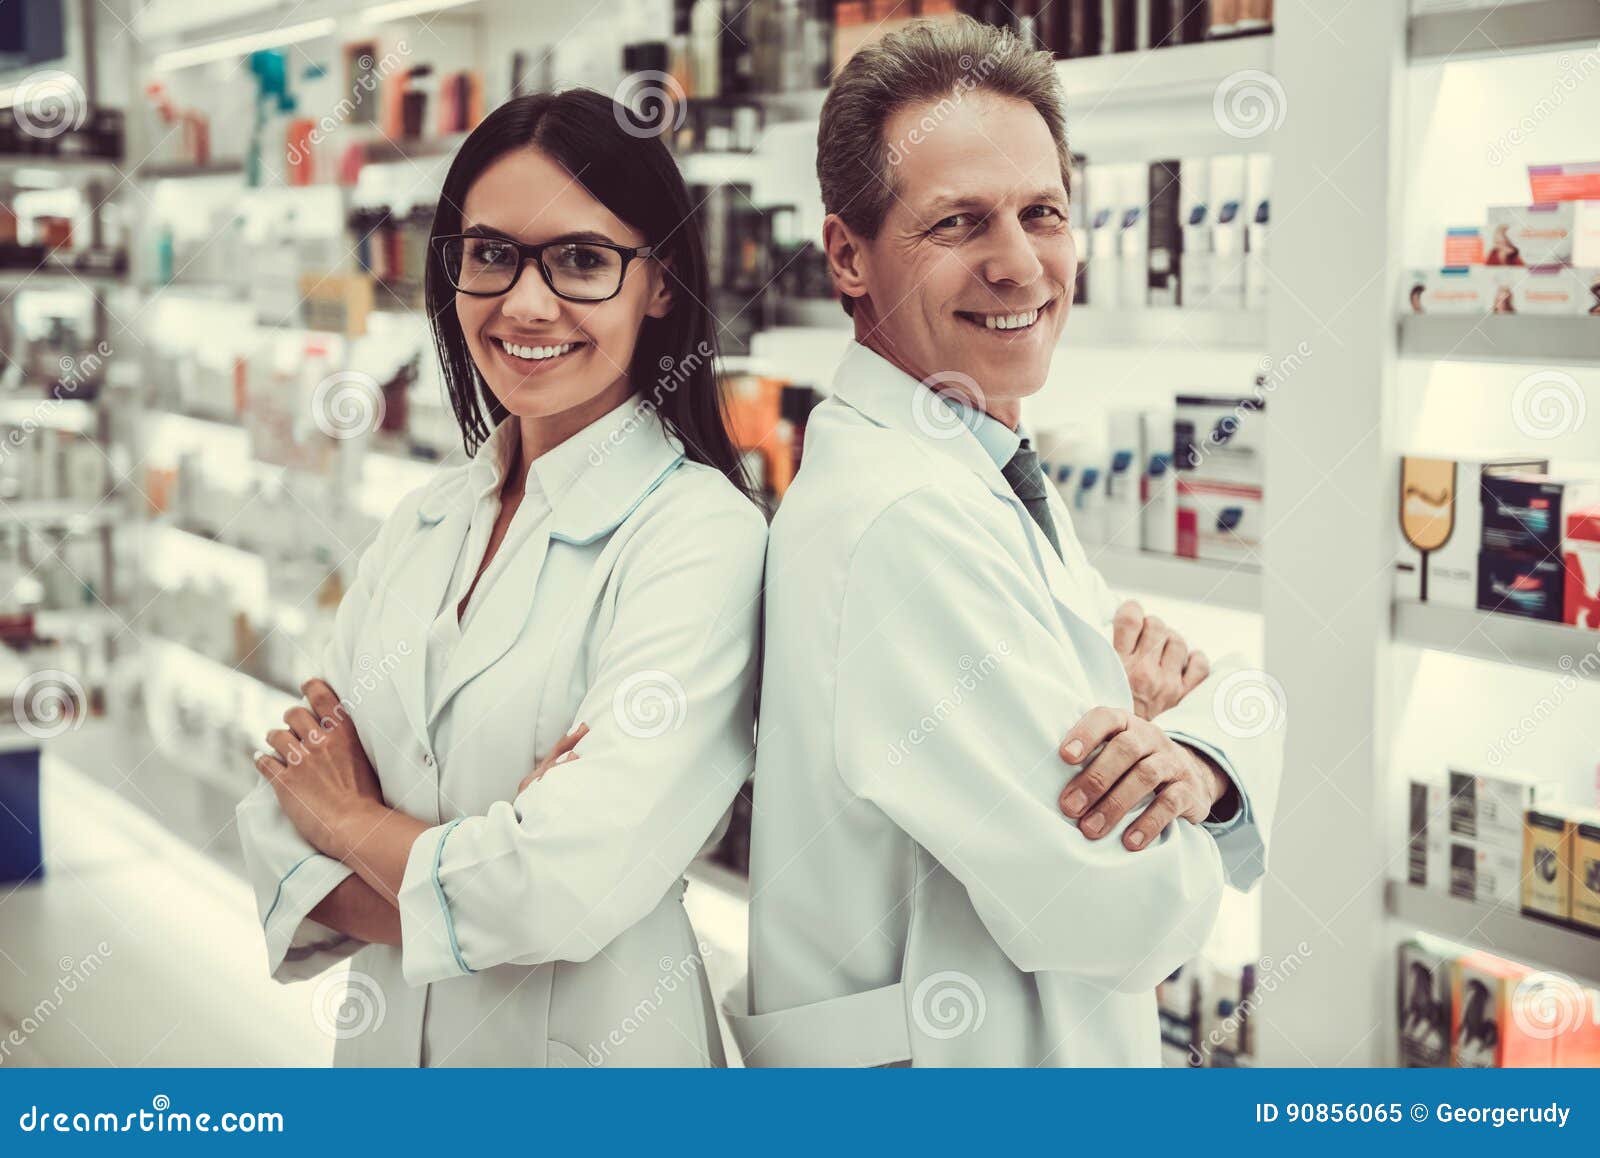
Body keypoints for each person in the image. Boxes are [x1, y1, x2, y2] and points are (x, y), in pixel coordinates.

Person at [734, 17, 1281, 1066]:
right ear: (847, 255)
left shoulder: (975, 460)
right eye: (959, 224)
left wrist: (1160, 739)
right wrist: (1194, 758)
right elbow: (1124, 910)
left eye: (1043, 213)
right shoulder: (905, 520)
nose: (1020, 264)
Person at [235, 89, 766, 1067]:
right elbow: (275, 819)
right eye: (490, 254)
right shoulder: (423, 522)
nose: (524, 303)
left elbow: (562, 887)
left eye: (581, 260)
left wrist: (348, 819)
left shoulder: (701, 538)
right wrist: (485, 873)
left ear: (659, 284)